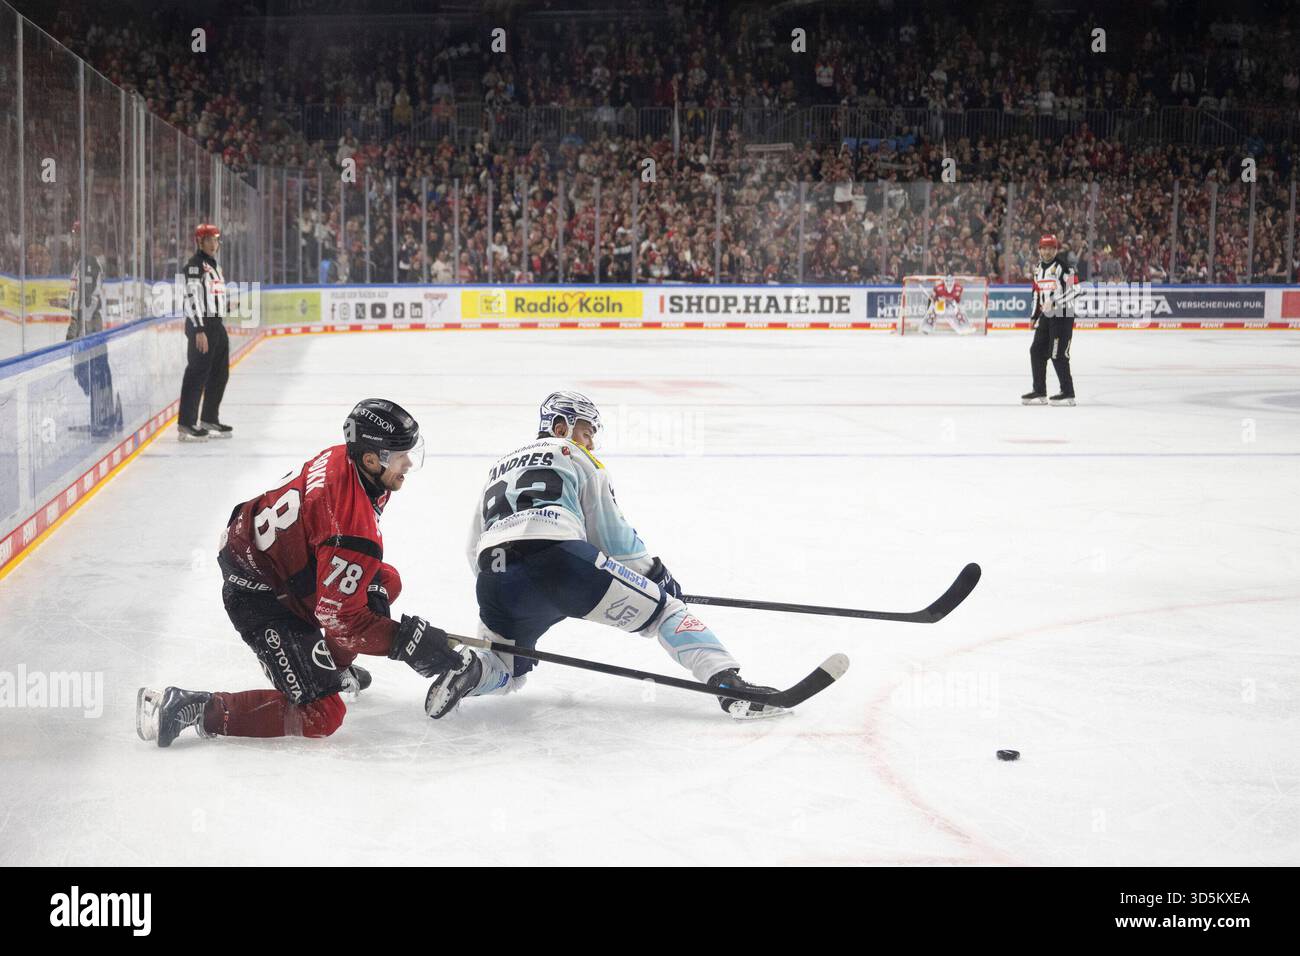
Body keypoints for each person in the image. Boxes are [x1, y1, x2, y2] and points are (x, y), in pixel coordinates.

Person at [426, 390, 784, 721]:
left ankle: (470, 671)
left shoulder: (497, 470)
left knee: (505, 669)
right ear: (560, 426)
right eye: (585, 430)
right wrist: (656, 577)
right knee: (665, 611)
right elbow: (612, 536)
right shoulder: (574, 455)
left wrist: (512, 587)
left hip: (495, 579)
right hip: (561, 561)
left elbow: (475, 545)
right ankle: (727, 685)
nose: (591, 441)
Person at [136, 399, 462, 747]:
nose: (408, 463)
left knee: (386, 581)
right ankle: (195, 707)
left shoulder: (345, 458)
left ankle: (327, 669)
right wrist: (407, 643)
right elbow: (340, 619)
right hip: (259, 597)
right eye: (400, 455)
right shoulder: (351, 530)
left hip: (272, 564)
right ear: (370, 459)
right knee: (322, 716)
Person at [65, 220, 122, 438]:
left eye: (78, 234)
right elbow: (79, 299)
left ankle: (103, 419)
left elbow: (89, 302)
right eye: (74, 234)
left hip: (89, 330)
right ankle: (102, 417)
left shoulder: (88, 263)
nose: (75, 238)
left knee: (91, 372)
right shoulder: (80, 262)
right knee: (91, 372)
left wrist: (79, 330)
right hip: (85, 328)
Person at [178, 223, 231, 441]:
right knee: (197, 373)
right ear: (199, 242)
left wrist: (225, 307)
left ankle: (209, 417)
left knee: (220, 372)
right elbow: (192, 298)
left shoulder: (214, 266)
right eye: (208, 239)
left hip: (216, 324)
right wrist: (199, 329)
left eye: (216, 239)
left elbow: (212, 295)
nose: (213, 244)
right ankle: (187, 422)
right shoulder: (194, 265)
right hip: (202, 326)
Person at [1022, 234, 1079, 406]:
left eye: (1051, 248)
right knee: (1036, 351)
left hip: (1063, 315)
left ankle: (1068, 393)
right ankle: (1040, 391)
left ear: (1056, 249)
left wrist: (1055, 301)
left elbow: (1075, 289)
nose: (1047, 252)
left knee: (1058, 354)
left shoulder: (1064, 267)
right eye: (1044, 248)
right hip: (1046, 317)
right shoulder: (1038, 269)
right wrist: (1034, 316)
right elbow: (1036, 294)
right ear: (1039, 250)